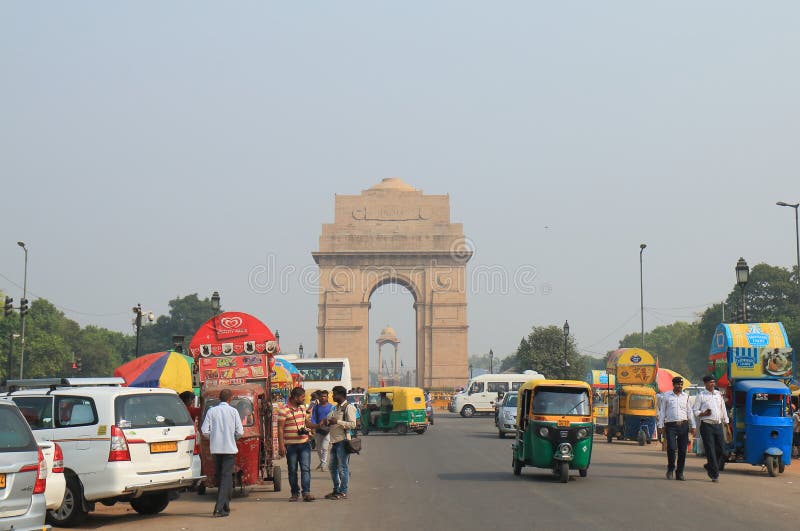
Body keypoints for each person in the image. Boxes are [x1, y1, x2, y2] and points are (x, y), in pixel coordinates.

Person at [200, 389, 244, 517]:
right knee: (226, 477)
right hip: (229, 449)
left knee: (222, 477)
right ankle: (219, 508)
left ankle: (225, 507)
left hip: (216, 449)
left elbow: (204, 431)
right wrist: (232, 438)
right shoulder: (233, 411)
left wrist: (213, 438)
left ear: (220, 398)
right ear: (230, 399)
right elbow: (240, 432)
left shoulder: (211, 411)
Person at [277, 386, 314, 502]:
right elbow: (280, 429)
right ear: (295, 397)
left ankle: (306, 492)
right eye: (302, 397)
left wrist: (317, 425)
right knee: (292, 470)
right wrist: (281, 445)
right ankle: (294, 493)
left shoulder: (303, 408)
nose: (303, 399)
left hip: (304, 443)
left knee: (305, 469)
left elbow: (306, 422)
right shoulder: (283, 410)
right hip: (291, 445)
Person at [657, 376, 696, 480]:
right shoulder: (666, 396)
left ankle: (680, 472)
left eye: (681, 385)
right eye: (678, 384)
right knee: (672, 448)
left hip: (683, 425)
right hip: (670, 425)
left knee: (683, 450)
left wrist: (693, 425)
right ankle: (670, 469)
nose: (680, 386)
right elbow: (662, 412)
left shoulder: (686, 396)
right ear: (673, 385)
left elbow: (689, 412)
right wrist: (660, 425)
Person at [323, 385, 357, 500]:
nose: (332, 396)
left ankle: (343, 492)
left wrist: (337, 421)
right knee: (333, 467)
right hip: (334, 442)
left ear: (340, 395)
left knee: (343, 468)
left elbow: (353, 424)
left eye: (334, 394)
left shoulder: (349, 407)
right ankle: (336, 489)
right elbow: (329, 419)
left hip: (343, 441)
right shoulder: (336, 408)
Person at [693, 375, 729, 482]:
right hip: (707, 425)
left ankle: (710, 465)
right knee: (710, 450)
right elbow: (695, 411)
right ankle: (714, 474)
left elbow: (723, 409)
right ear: (705, 384)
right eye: (710, 382)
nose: (712, 384)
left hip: (718, 425)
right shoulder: (701, 396)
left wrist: (726, 423)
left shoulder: (718, 394)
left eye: (713, 382)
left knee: (722, 450)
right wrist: (703, 413)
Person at [310, 390, 333, 471]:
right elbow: (313, 418)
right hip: (318, 430)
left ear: (327, 397)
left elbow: (332, 418)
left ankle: (323, 464)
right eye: (321, 396)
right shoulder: (316, 408)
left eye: (324, 396)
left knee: (324, 447)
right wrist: (313, 428)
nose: (322, 398)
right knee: (318, 448)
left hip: (328, 430)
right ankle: (322, 462)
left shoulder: (331, 407)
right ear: (319, 397)